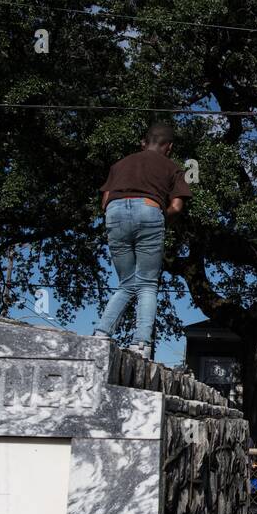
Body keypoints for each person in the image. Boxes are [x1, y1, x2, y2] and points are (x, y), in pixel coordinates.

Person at [91, 123, 193, 357]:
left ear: (143, 143)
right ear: (169, 147)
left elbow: (104, 202)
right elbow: (176, 206)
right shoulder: (172, 166)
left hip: (114, 213)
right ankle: (141, 344)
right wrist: (157, 215)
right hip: (149, 209)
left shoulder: (119, 164)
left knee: (126, 282)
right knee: (147, 283)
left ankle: (101, 334)